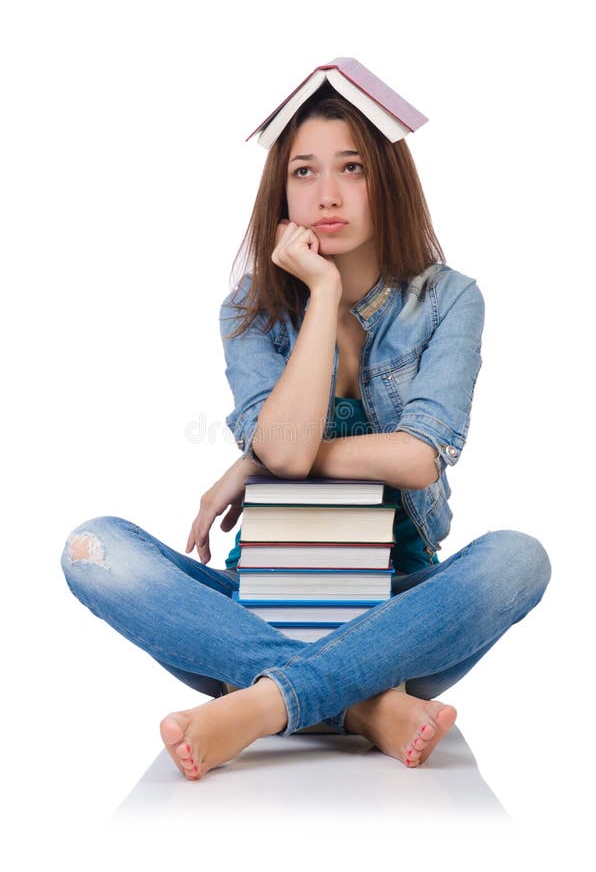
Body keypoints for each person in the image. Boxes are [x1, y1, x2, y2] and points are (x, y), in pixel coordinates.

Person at [61, 75, 551, 783]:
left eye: (352, 167)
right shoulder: (249, 311)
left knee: (519, 558)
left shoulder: (448, 301)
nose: (328, 195)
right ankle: (362, 706)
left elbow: (418, 458)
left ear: (386, 179)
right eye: (304, 171)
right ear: (282, 194)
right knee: (91, 548)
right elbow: (285, 455)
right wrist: (321, 295)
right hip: (259, 603)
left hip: (399, 608)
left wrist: (256, 462)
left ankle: (257, 706)